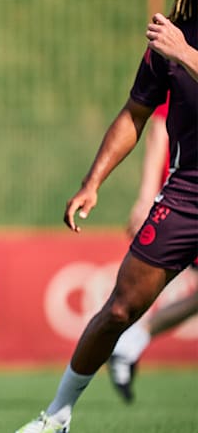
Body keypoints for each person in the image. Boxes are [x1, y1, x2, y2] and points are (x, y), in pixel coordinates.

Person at [17, 0, 198, 433]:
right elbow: (136, 113)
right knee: (119, 308)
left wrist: (185, 54)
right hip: (188, 197)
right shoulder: (172, 42)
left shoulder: (180, 47)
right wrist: (92, 182)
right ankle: (56, 417)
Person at [107, 100, 198, 403]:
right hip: (185, 193)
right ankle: (131, 339)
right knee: (137, 288)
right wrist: (146, 195)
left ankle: (132, 340)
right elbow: (159, 128)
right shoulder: (184, 59)